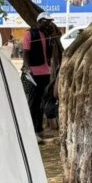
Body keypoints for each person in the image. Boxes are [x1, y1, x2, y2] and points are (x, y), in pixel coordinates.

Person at [22, 12, 58, 142]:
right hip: (33, 74)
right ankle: (31, 131)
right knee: (33, 103)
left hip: (46, 72)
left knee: (42, 102)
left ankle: (39, 130)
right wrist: (27, 68)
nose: (48, 23)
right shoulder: (30, 34)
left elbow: (51, 53)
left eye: (49, 21)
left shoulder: (48, 35)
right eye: (46, 21)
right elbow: (26, 52)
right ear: (39, 22)